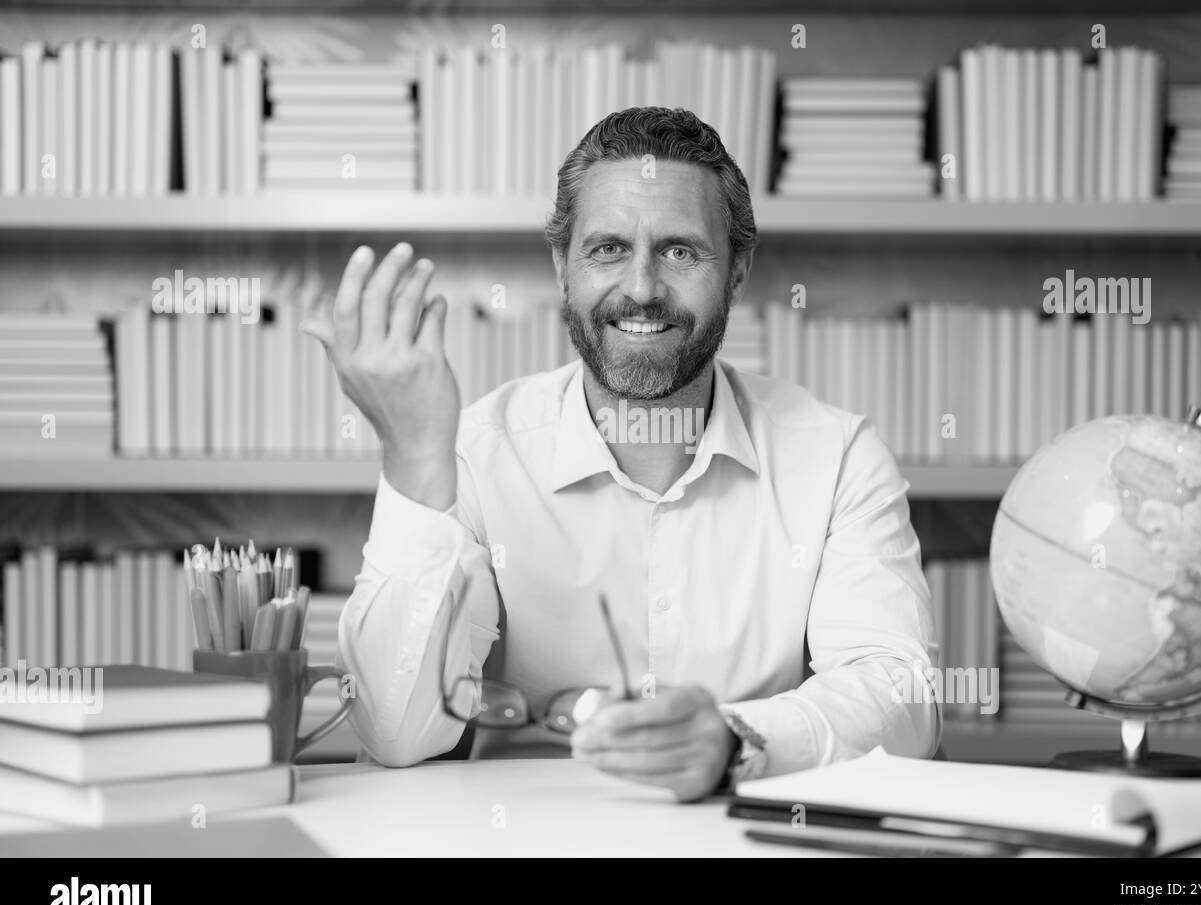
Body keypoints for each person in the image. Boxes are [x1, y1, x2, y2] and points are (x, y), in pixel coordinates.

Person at [302, 106, 941, 802]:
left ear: (736, 272)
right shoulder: (474, 456)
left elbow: (901, 698)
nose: (641, 287)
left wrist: (734, 740)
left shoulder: (839, 456)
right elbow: (394, 732)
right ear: (561, 266)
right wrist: (415, 455)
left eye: (680, 250)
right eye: (608, 248)